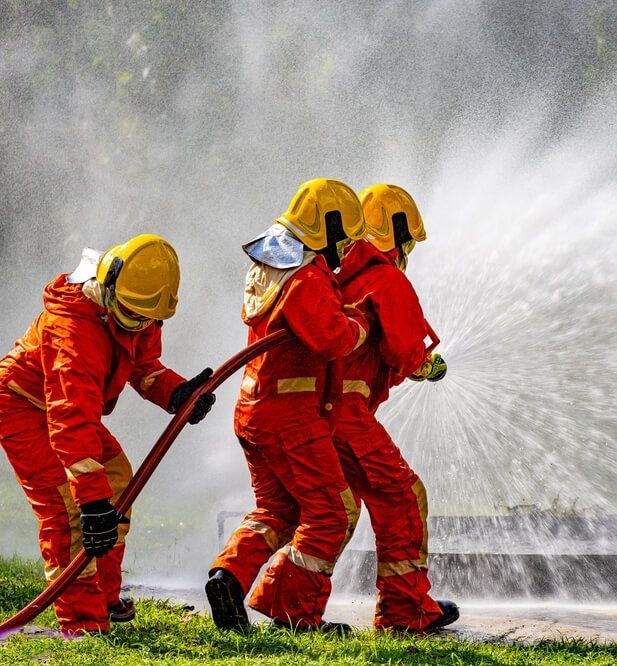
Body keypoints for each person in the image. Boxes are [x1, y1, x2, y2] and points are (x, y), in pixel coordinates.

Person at [0, 234, 216, 635]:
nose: (142, 327)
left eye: (150, 321)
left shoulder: (139, 305)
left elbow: (143, 364)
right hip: (22, 406)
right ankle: (81, 624)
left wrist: (176, 392)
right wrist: (91, 501)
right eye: (135, 318)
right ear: (108, 285)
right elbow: (72, 420)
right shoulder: (73, 332)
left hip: (65, 410)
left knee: (116, 482)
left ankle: (104, 594)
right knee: (70, 512)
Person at [206, 178, 369, 633]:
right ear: (329, 229)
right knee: (331, 513)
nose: (348, 248)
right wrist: (361, 321)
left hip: (254, 410)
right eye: (345, 238)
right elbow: (334, 340)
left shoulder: (270, 266)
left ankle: (228, 578)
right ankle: (294, 613)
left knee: (275, 511)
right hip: (291, 416)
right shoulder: (307, 277)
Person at [333, 183, 457, 632]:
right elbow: (405, 351)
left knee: (330, 510)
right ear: (398, 234)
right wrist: (427, 365)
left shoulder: (334, 274)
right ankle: (405, 612)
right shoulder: (385, 279)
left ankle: (287, 604)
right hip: (346, 414)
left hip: (313, 411)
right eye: (408, 242)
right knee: (402, 497)